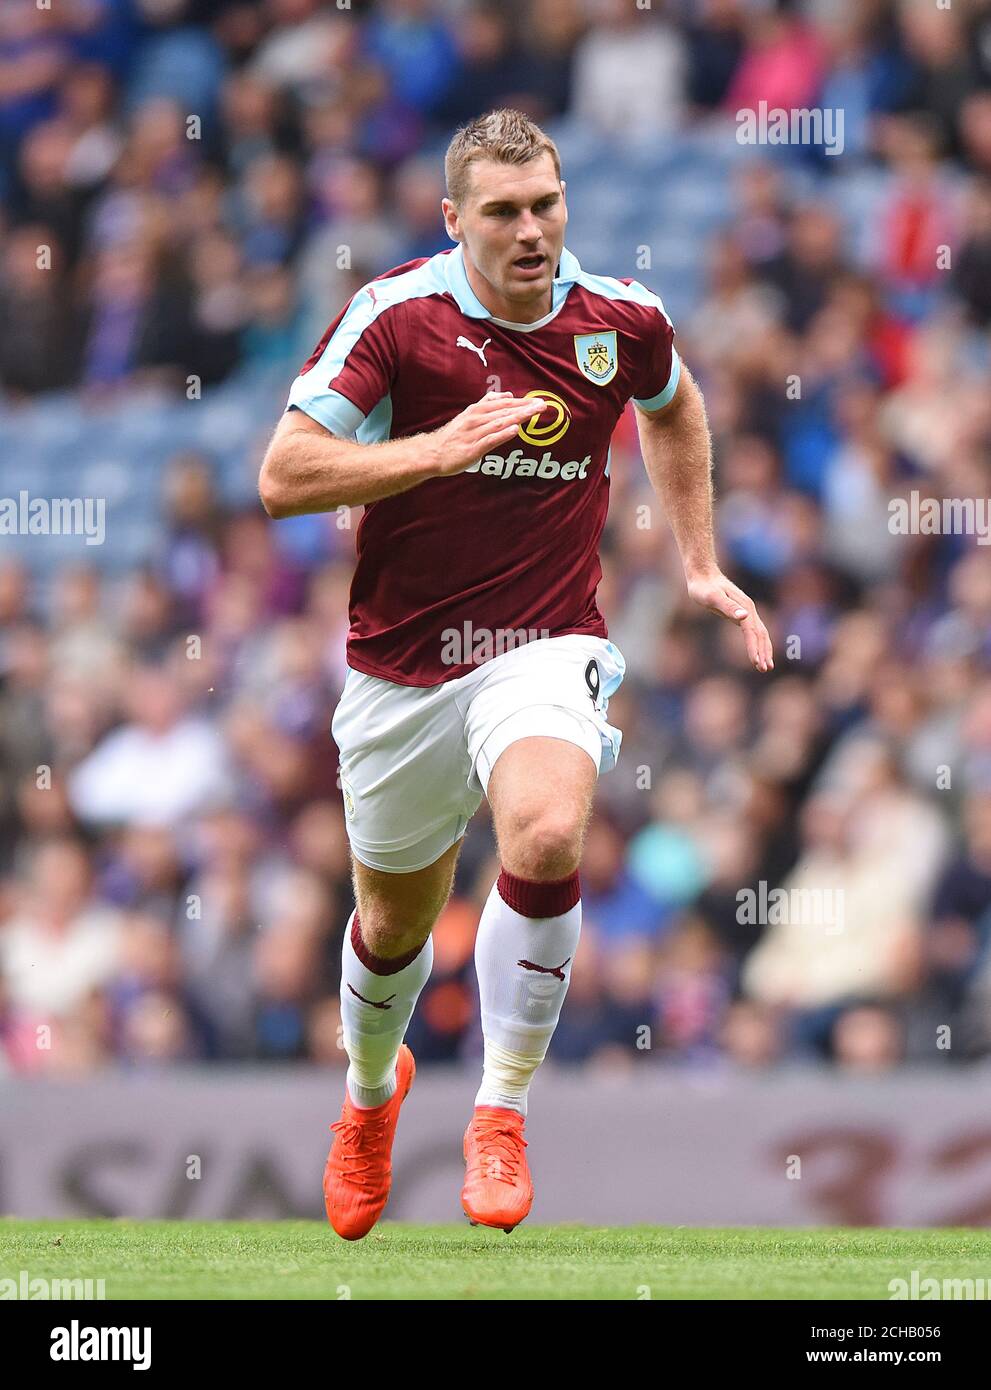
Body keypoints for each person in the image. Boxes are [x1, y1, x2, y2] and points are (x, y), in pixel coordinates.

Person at [259, 108, 773, 1240]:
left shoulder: (619, 319)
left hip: (543, 643)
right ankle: (368, 1096)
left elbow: (674, 405)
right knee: (392, 922)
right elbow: (285, 474)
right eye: (502, 211)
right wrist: (433, 449)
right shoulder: (396, 317)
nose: (531, 228)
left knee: (544, 835)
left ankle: (500, 1109)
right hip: (400, 669)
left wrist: (697, 562)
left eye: (545, 204)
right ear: (455, 221)